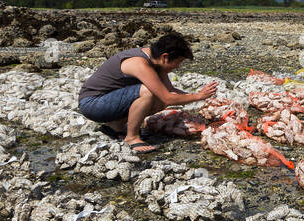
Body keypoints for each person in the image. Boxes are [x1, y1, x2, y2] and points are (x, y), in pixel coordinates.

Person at [76, 32, 217, 152]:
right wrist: (198, 96)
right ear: (165, 57)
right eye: (178, 62)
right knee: (148, 92)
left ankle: (115, 127)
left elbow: (170, 91)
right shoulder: (139, 63)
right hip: (92, 104)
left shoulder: (157, 63)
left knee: (157, 96)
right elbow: (168, 98)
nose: (178, 67)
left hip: (109, 100)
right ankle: (131, 137)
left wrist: (203, 98)